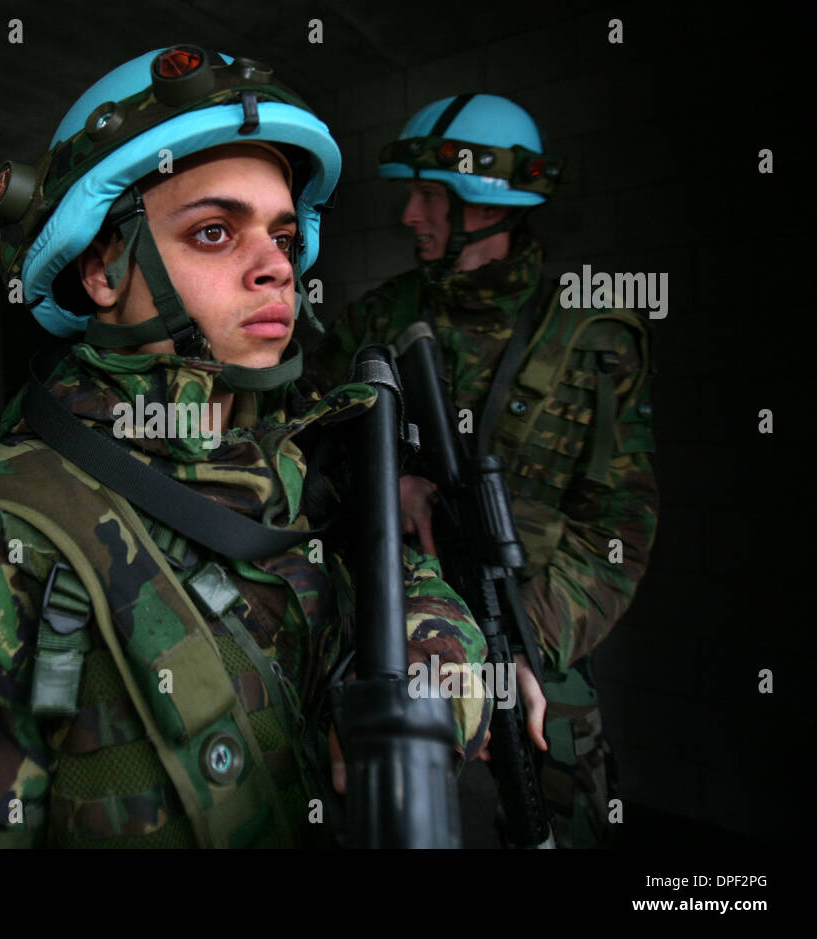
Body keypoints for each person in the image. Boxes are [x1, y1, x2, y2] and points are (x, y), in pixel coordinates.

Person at [0, 46, 492, 848]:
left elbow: (414, 583)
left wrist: (431, 686)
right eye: (214, 231)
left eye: (282, 234)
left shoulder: (297, 453)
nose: (276, 266)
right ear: (103, 269)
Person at [309, 94, 658, 847]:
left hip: (538, 635)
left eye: (431, 195)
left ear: (490, 205)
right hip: (399, 628)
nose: (410, 215)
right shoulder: (376, 322)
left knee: (563, 821)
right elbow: (300, 452)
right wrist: (384, 483)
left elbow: (618, 527)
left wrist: (518, 646)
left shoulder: (592, 339)